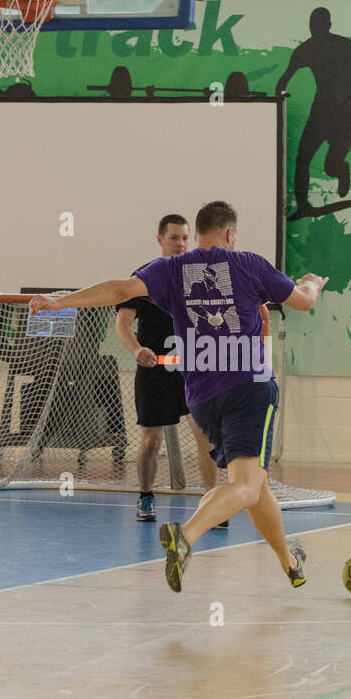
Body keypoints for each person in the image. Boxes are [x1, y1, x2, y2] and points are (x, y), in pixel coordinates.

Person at [29, 200, 328, 592]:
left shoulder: (170, 269)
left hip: (202, 399)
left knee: (255, 485)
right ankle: (185, 538)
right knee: (249, 486)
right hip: (249, 389)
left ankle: (289, 563)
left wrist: (60, 300)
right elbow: (303, 302)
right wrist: (312, 283)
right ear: (230, 234)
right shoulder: (249, 264)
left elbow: (118, 289)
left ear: (197, 233)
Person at [115, 213, 222, 521]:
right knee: (151, 440)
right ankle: (146, 497)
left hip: (193, 371)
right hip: (155, 370)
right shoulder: (144, 277)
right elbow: (122, 323)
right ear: (160, 240)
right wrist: (137, 350)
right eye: (174, 238)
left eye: (185, 238)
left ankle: (212, 502)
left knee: (203, 433)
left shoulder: (201, 276)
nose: (181, 244)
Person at [275, 6, 351, 213]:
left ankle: (342, 170)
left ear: (328, 26)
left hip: (347, 113)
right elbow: (285, 78)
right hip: (321, 111)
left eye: (320, 27)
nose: (316, 31)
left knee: (332, 166)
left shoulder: (343, 45)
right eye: (313, 27)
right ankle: (302, 205)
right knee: (303, 157)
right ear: (310, 27)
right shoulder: (306, 49)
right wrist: (277, 101)